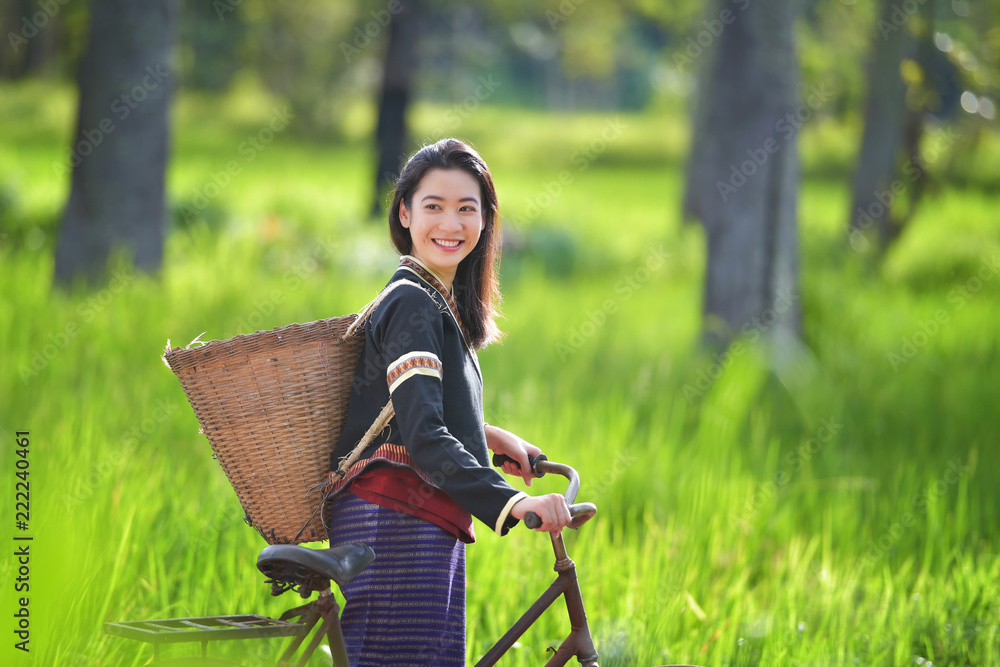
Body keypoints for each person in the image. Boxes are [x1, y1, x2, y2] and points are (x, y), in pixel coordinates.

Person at [325, 138, 573, 666]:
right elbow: (424, 438)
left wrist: (489, 436)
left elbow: (414, 409)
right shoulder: (413, 303)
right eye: (434, 206)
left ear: (485, 220)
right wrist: (513, 502)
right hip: (394, 522)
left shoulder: (434, 300)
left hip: (415, 516)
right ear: (405, 213)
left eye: (466, 208)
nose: (450, 223)